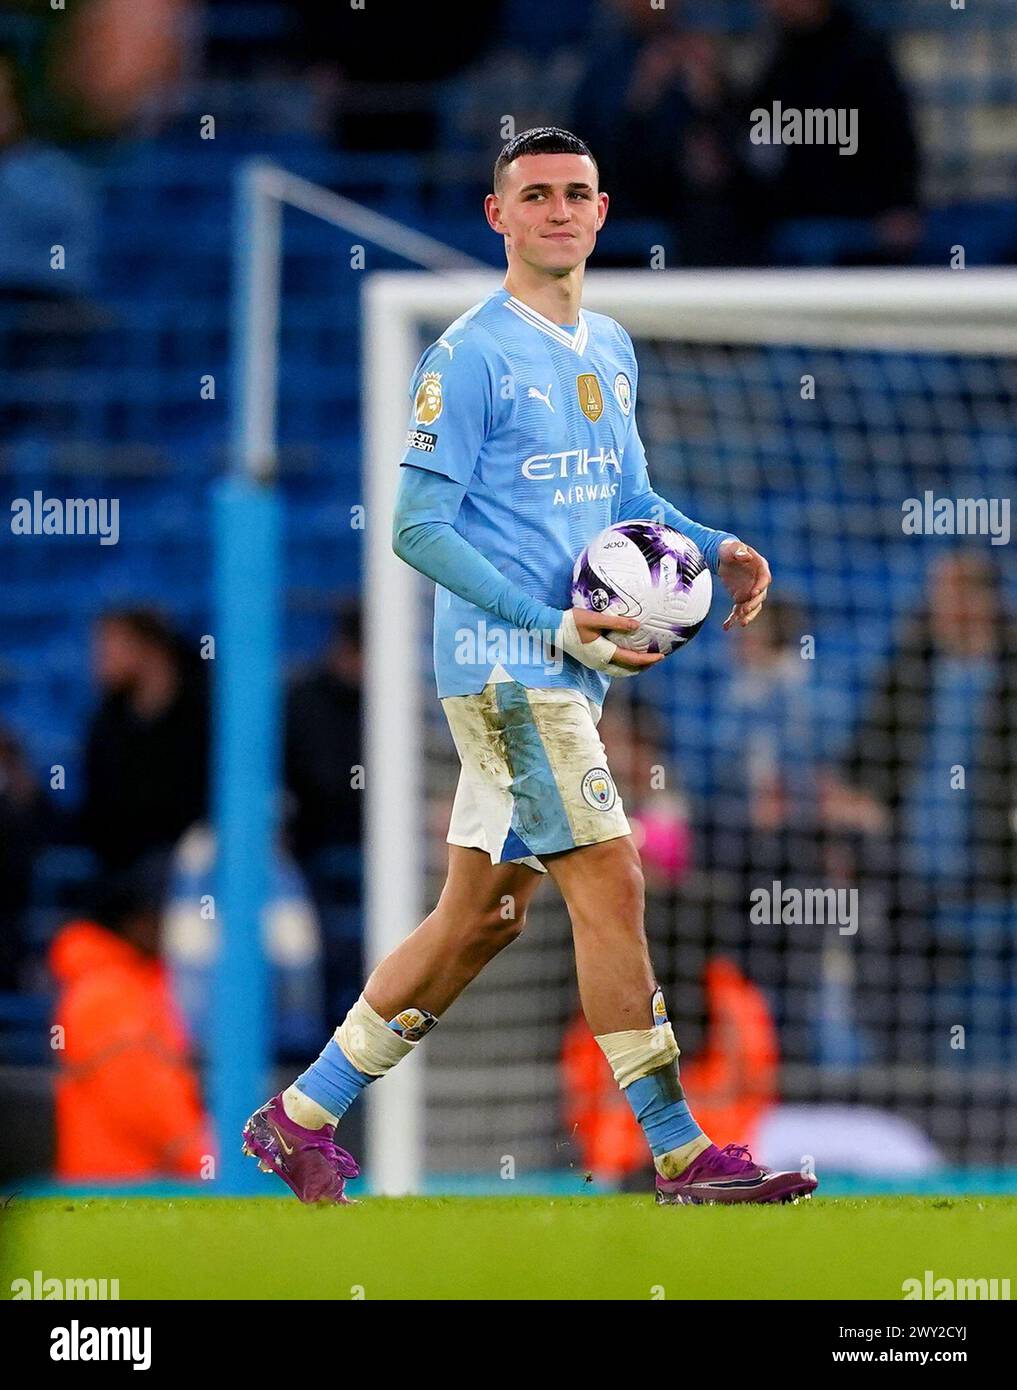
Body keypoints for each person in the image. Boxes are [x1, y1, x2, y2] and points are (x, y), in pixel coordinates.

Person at [243, 126, 817, 1206]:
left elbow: (633, 508)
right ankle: (682, 1154)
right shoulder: (467, 353)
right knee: (613, 878)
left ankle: (299, 1113)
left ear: (602, 214)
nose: (558, 210)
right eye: (536, 194)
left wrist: (715, 544)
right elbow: (416, 527)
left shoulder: (608, 346)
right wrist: (547, 621)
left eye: (577, 194)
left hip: (562, 672)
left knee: (481, 916)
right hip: (511, 671)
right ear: (498, 215)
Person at [49, 863, 211, 1181]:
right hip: (120, 1186)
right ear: (138, 922)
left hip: (132, 1188)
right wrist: (211, 1167)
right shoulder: (109, 994)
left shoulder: (130, 985)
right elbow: (148, 1105)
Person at [80, 608, 209, 875]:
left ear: (148, 648)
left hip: (200, 863)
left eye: (108, 648)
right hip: (126, 874)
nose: (98, 660)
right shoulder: (105, 724)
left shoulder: (209, 710)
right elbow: (99, 818)